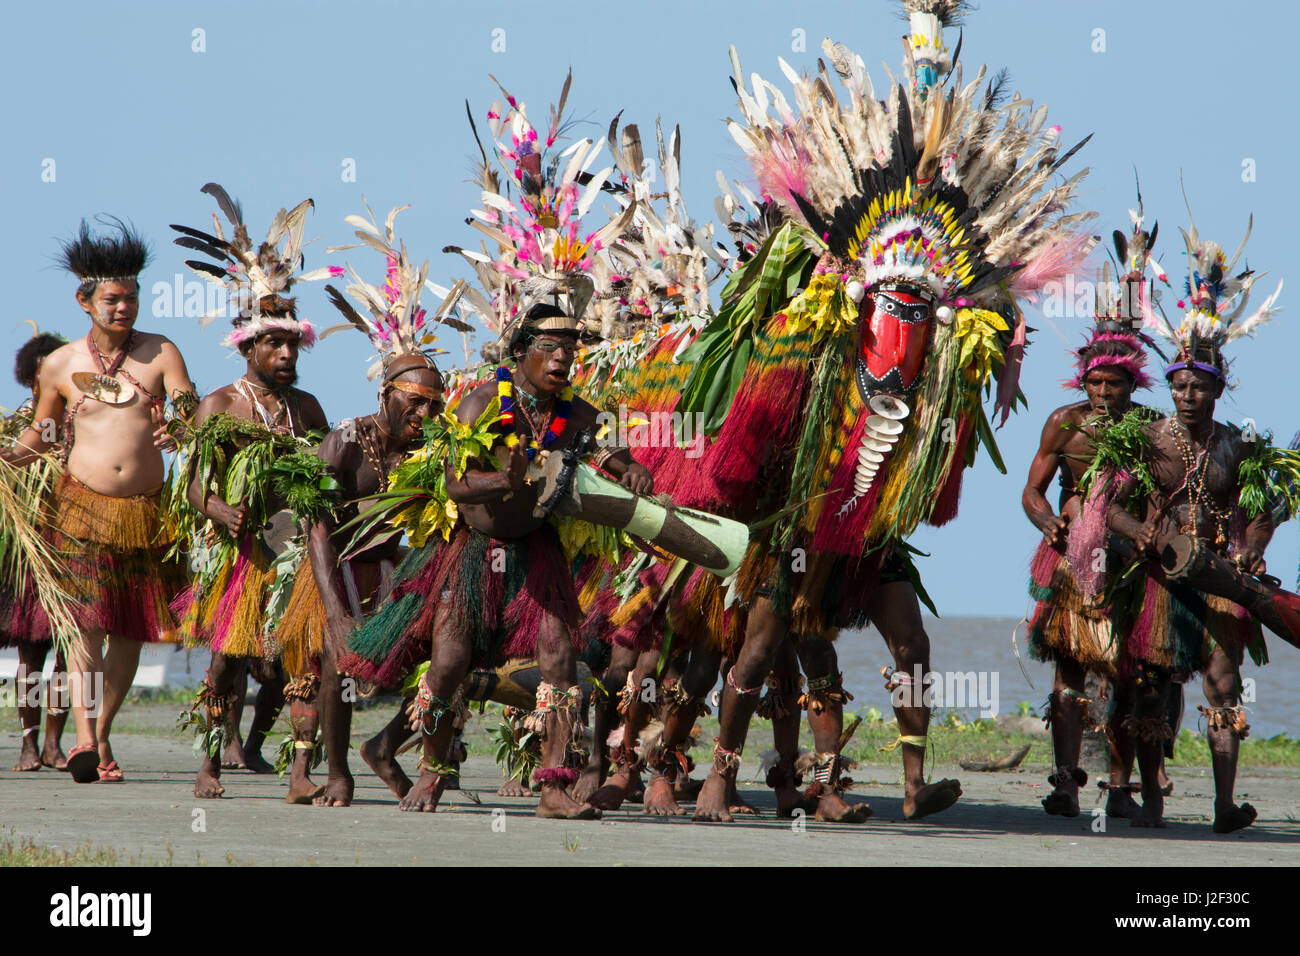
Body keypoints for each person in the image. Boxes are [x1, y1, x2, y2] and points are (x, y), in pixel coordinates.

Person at [400, 302, 652, 818]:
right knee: (448, 665)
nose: (563, 359)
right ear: (519, 352)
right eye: (550, 348)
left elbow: (616, 453)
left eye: (570, 350)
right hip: (474, 549)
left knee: (561, 660)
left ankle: (554, 789)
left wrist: (633, 471)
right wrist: (506, 482)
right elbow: (455, 483)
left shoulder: (578, 413)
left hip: (537, 549)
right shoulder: (482, 404)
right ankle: (433, 771)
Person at [1106, 208, 1287, 830]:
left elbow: (1274, 500)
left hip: (1220, 578)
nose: (1187, 395)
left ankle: (1223, 805)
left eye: (1198, 387)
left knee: (1221, 685)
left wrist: (1255, 546)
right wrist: (1144, 535)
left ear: (1217, 389)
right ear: (1171, 386)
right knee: (1153, 686)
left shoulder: (1237, 446)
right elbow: (1107, 507)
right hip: (1161, 574)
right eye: (1179, 385)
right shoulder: (1146, 440)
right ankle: (1152, 800)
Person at [0, 217, 197, 783]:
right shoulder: (60, 364)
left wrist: (178, 429)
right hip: (80, 508)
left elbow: (190, 412)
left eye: (131, 299)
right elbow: (41, 434)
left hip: (144, 513)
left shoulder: (161, 352)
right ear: (84, 300)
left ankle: (102, 731)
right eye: (112, 300)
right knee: (83, 625)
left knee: (131, 630)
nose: (123, 309)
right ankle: (85, 738)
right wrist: (8, 458)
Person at [1022, 207, 1166, 818]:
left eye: (1114, 384)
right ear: (1083, 381)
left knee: (1130, 675)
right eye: (1095, 383)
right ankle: (1064, 781)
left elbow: (1163, 495)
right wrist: (1047, 521)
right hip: (1070, 564)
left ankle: (1121, 785)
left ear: (1131, 384)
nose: (1103, 393)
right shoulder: (1066, 423)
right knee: (1069, 676)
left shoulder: (1150, 430)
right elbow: (1031, 492)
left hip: (1131, 566)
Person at [1, 331, 70, 771]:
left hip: (74, 552)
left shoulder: (84, 424)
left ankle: (54, 743)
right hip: (29, 556)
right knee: (31, 656)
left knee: (71, 655)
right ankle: (28, 743)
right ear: (32, 379)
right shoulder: (16, 429)